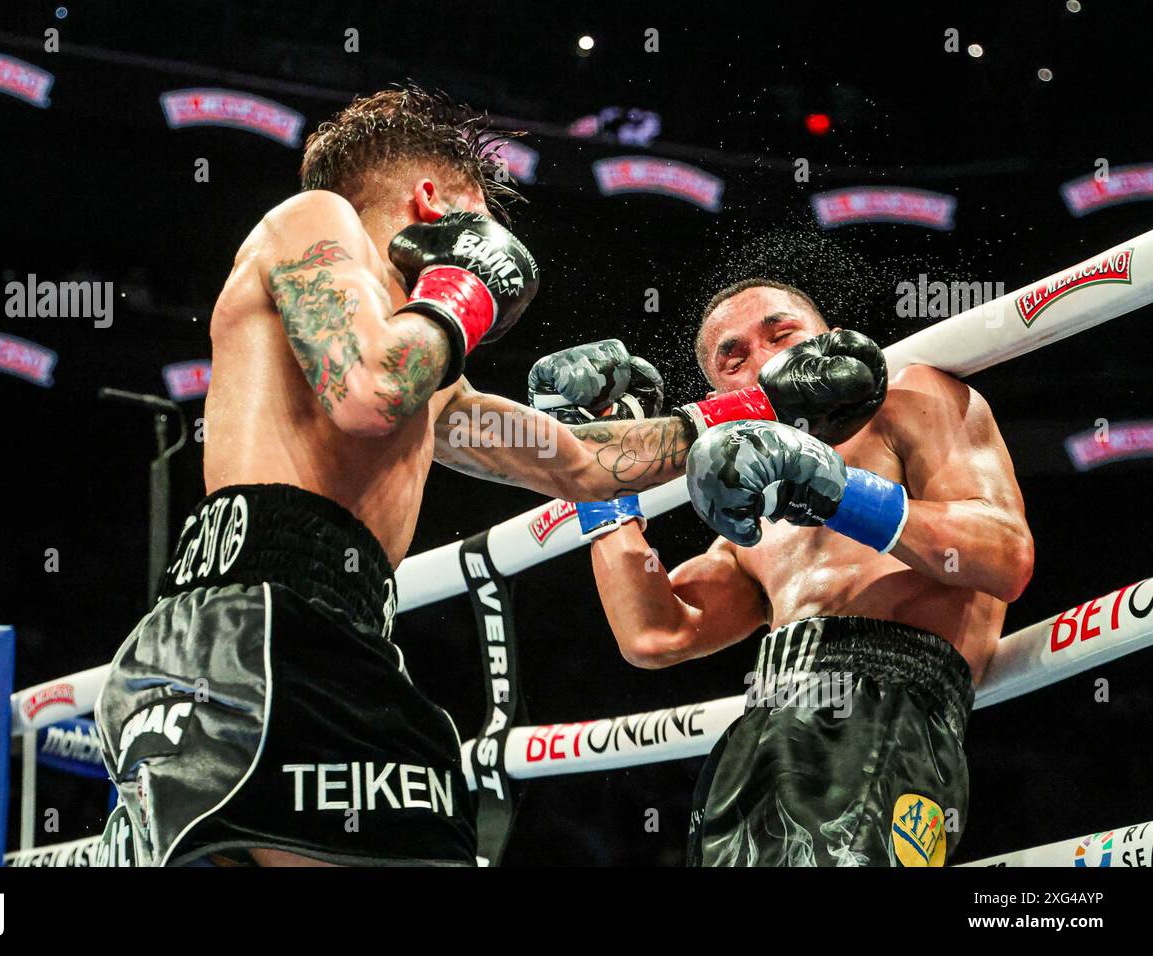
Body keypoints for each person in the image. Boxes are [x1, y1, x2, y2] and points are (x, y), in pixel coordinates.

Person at [94, 88, 813, 868]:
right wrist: (463, 286)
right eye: (489, 226)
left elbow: (579, 466)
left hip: (309, 633)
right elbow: (372, 392)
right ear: (437, 203)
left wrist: (762, 406)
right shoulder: (314, 222)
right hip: (264, 632)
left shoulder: (430, 372)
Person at [538, 278, 1034, 866]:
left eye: (783, 334)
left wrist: (832, 489)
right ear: (718, 396)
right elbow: (654, 634)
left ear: (829, 340)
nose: (766, 360)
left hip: (884, 719)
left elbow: (1006, 557)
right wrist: (598, 483)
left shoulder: (912, 395)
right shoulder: (749, 523)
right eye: (735, 358)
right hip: (761, 733)